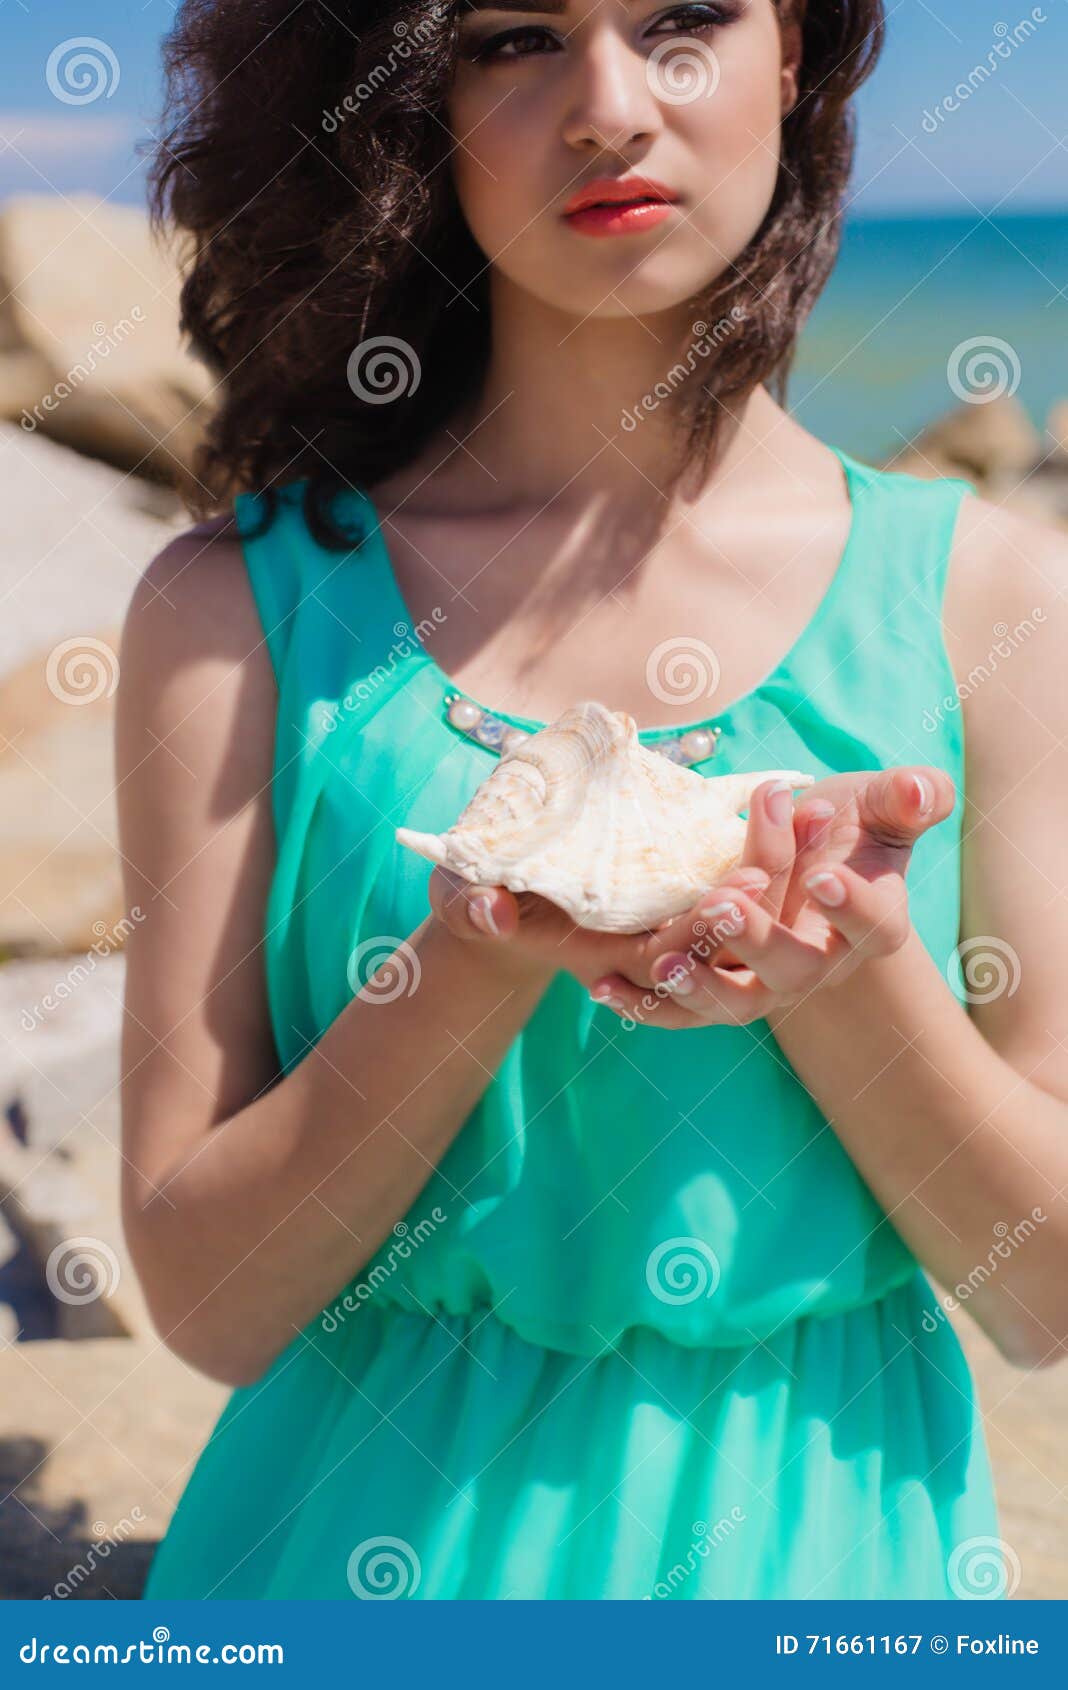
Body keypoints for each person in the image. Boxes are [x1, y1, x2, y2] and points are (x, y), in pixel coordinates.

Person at [118, 0, 1068, 1600]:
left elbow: (1044, 1295)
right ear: (408, 99)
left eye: (685, 19)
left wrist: (850, 970)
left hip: (820, 1561)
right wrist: (473, 957)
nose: (608, 106)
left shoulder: (995, 601)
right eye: (513, 39)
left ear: (798, 57)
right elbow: (211, 1301)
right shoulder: (238, 613)